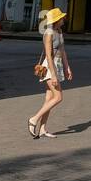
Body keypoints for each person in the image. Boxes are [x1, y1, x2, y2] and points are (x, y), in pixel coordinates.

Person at [29, 8, 72, 138]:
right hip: (50, 66)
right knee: (58, 97)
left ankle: (42, 129)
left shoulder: (59, 31)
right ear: (57, 20)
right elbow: (48, 56)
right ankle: (34, 119)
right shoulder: (48, 33)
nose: (64, 19)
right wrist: (53, 75)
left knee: (49, 99)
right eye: (61, 18)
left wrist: (67, 67)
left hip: (58, 65)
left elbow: (63, 50)